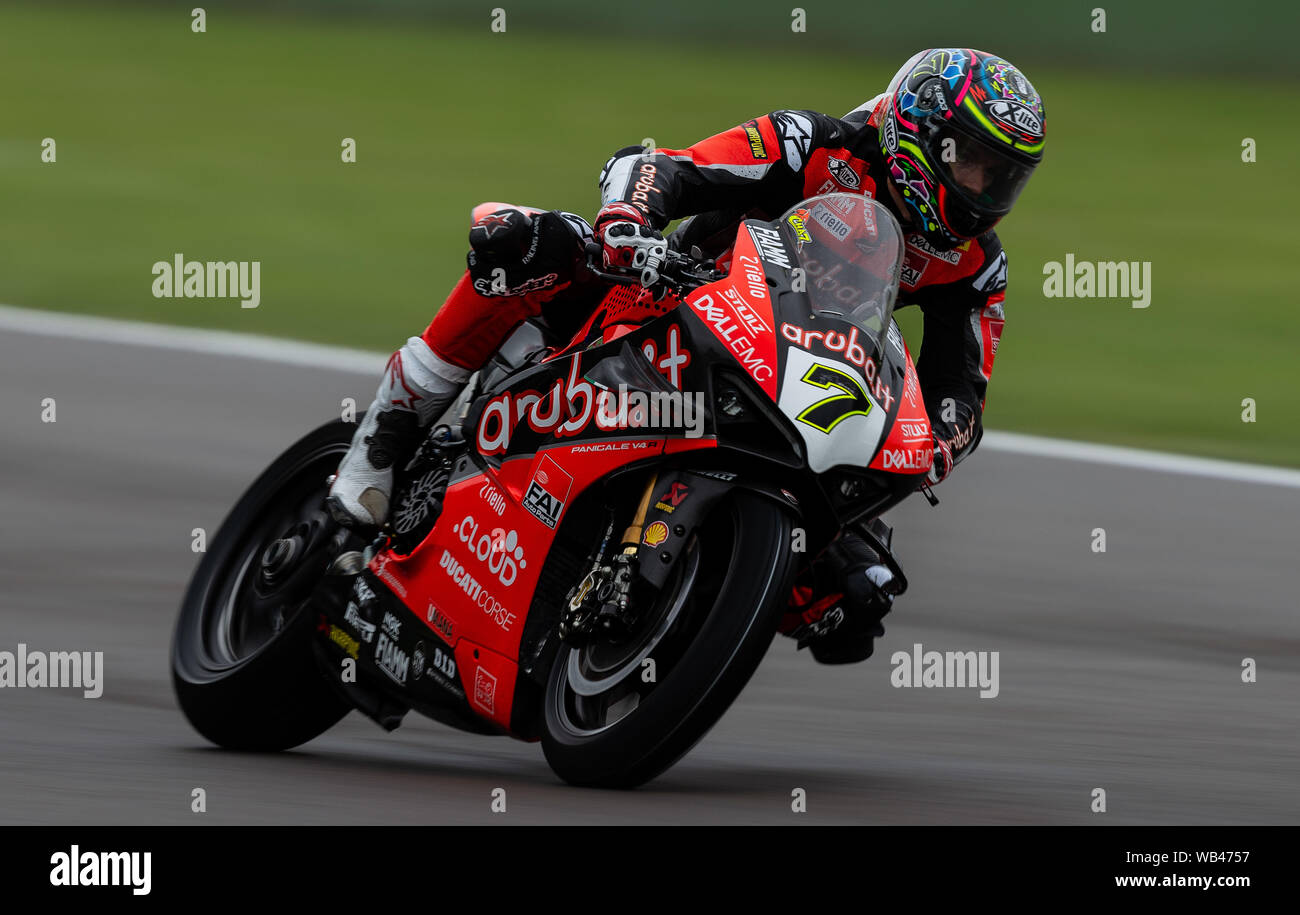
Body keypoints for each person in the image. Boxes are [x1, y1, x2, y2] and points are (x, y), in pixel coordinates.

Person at [327, 47, 1046, 664]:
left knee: (857, 595)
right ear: (924, 136)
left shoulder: (975, 267)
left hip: (801, 384)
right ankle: (392, 424)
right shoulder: (814, 144)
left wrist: (938, 445)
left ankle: (673, 615)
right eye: (976, 164)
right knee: (523, 241)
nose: (986, 193)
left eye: (1005, 176)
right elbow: (665, 167)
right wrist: (628, 221)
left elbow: (961, 392)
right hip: (674, 308)